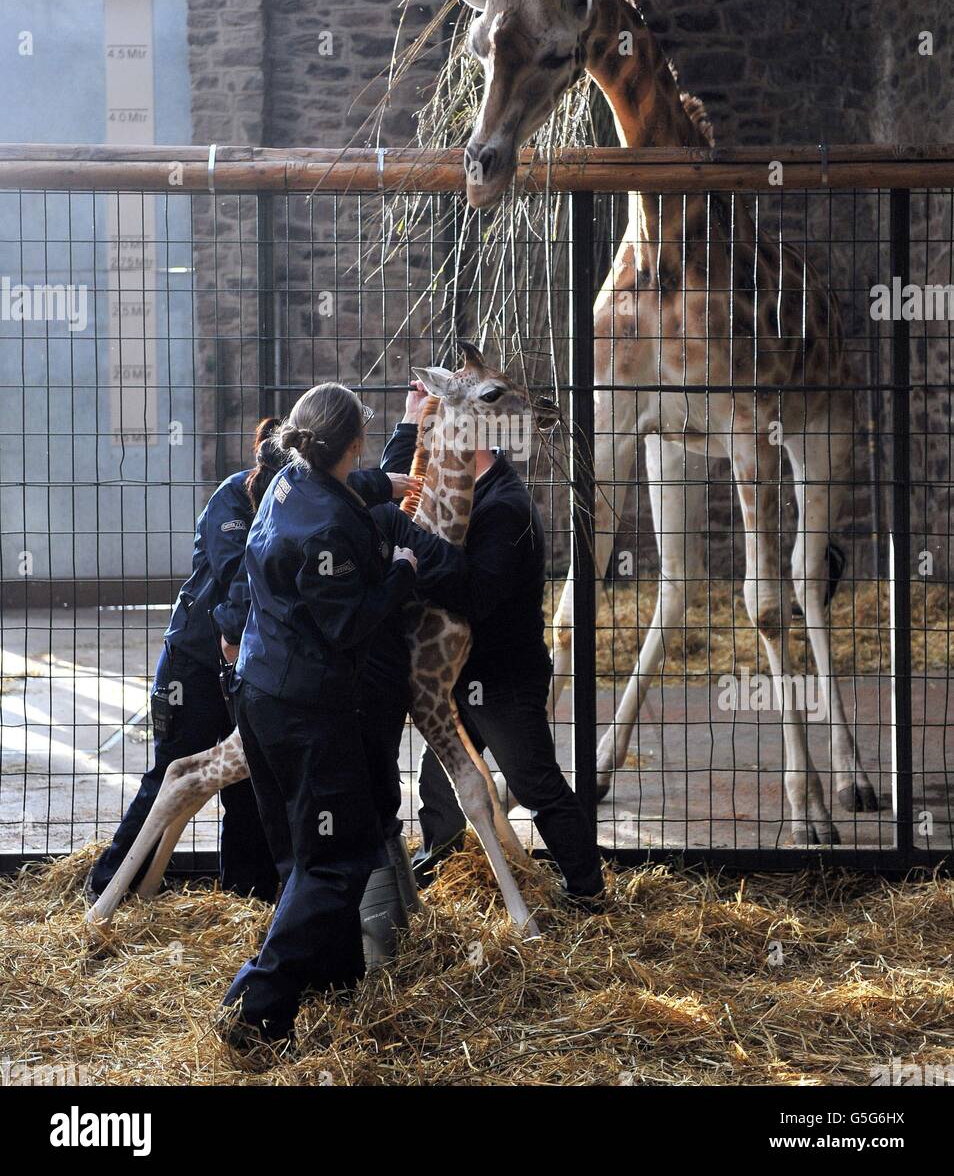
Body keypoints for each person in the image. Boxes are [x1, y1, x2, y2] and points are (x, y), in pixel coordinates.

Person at [218, 382, 467, 1056]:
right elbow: (351, 625)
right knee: (337, 861)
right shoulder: (331, 527)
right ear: (351, 441)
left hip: (261, 697)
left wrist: (388, 479)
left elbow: (346, 490)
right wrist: (403, 570)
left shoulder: (289, 483)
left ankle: (328, 983)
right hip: (308, 711)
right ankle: (251, 1007)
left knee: (301, 854)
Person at [383, 383, 606, 910]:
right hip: (459, 675)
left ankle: (587, 890)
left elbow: (476, 595)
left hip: (502, 677)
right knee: (439, 793)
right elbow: (404, 492)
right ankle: (434, 879)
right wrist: (411, 420)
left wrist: (411, 549)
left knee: (534, 785)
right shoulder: (470, 488)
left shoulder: (505, 506)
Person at [87, 419, 285, 905]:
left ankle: (246, 898)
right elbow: (238, 571)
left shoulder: (286, 506)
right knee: (170, 772)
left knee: (247, 778)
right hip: (195, 662)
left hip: (243, 665)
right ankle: (113, 884)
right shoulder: (231, 499)